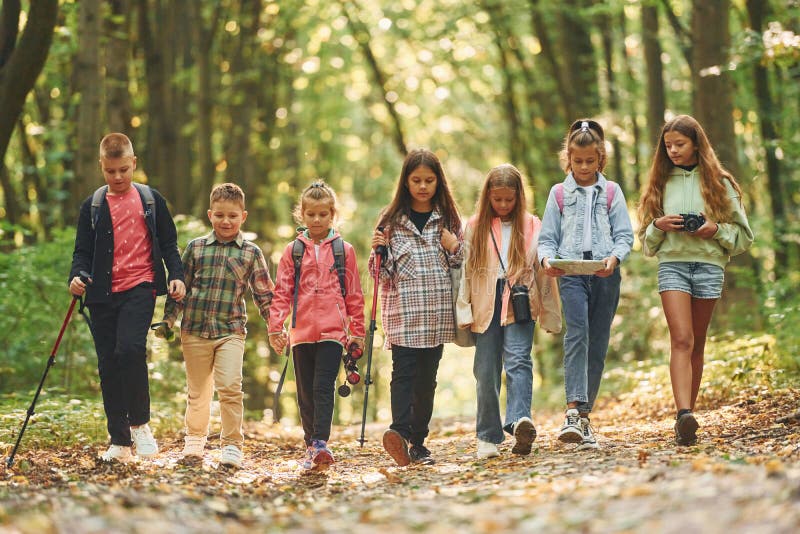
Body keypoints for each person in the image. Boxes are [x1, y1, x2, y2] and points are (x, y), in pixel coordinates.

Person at [637, 114, 754, 446]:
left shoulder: (720, 182)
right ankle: (683, 413)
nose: (673, 151)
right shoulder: (660, 182)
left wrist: (713, 229)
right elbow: (646, 243)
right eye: (668, 145)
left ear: (696, 144)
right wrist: (657, 226)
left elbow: (744, 237)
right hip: (672, 265)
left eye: (680, 144)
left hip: (708, 266)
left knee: (698, 342)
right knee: (682, 339)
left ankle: (689, 415)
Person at [69, 133, 186, 462]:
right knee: (108, 364)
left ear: (133, 163)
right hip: (101, 294)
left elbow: (168, 245)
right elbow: (82, 253)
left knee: (130, 349)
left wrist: (176, 275)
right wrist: (76, 278)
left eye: (123, 169)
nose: (118, 177)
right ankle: (119, 442)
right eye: (111, 171)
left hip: (141, 287)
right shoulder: (92, 206)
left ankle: (140, 424)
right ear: (101, 167)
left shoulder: (151, 201)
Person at [157, 183, 275, 468]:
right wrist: (168, 320)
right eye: (220, 215)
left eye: (232, 216)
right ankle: (195, 440)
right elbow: (179, 287)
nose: (226, 221)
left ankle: (232, 444)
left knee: (230, 386)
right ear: (210, 215)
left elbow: (264, 295)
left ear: (243, 217)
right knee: (198, 391)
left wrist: (276, 327)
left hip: (230, 331)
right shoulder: (196, 248)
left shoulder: (250, 252)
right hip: (194, 329)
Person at [538, 119, 634, 451]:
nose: (583, 167)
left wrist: (616, 258)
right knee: (577, 333)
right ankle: (571, 411)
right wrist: (546, 261)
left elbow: (624, 234)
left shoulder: (611, 192)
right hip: (571, 273)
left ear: (600, 160)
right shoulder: (559, 193)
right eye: (577, 161)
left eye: (589, 161)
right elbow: (547, 239)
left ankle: (583, 417)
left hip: (605, 273)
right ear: (568, 159)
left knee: (597, 341)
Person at [456, 164, 562, 459]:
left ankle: (518, 422)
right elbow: (465, 271)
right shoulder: (475, 226)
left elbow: (543, 266)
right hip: (484, 304)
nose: (503, 205)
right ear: (487, 197)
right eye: (497, 200)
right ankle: (487, 436)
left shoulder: (531, 225)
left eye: (509, 200)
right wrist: (463, 311)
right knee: (486, 370)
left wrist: (550, 312)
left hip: (520, 301)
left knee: (519, 361)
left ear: (519, 198)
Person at [370, 148, 463, 466]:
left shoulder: (447, 219)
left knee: (427, 380)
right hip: (403, 314)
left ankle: (418, 442)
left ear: (438, 182)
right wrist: (378, 252)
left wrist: (455, 248)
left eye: (429, 180)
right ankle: (399, 433)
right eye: (416, 180)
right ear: (405, 182)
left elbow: (463, 264)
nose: (423, 186)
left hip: (435, 314)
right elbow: (380, 274)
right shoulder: (390, 221)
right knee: (403, 375)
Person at [268, 181, 365, 471]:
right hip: (301, 334)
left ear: (333, 214)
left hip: (333, 333)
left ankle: (321, 442)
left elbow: (354, 293)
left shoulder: (343, 250)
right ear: (302, 214)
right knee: (305, 392)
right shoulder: (293, 251)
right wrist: (277, 327)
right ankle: (310, 445)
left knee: (323, 386)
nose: (317, 220)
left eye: (323, 214)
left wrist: (356, 331)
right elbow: (282, 291)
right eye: (311, 214)